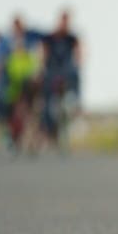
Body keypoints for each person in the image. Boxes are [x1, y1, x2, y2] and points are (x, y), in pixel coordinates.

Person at [39, 10, 81, 141]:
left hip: (67, 71)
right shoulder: (49, 38)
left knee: (75, 75)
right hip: (52, 70)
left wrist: (78, 62)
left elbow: (78, 53)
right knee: (47, 100)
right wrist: (42, 68)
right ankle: (49, 128)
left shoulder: (72, 38)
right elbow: (43, 55)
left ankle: (75, 103)